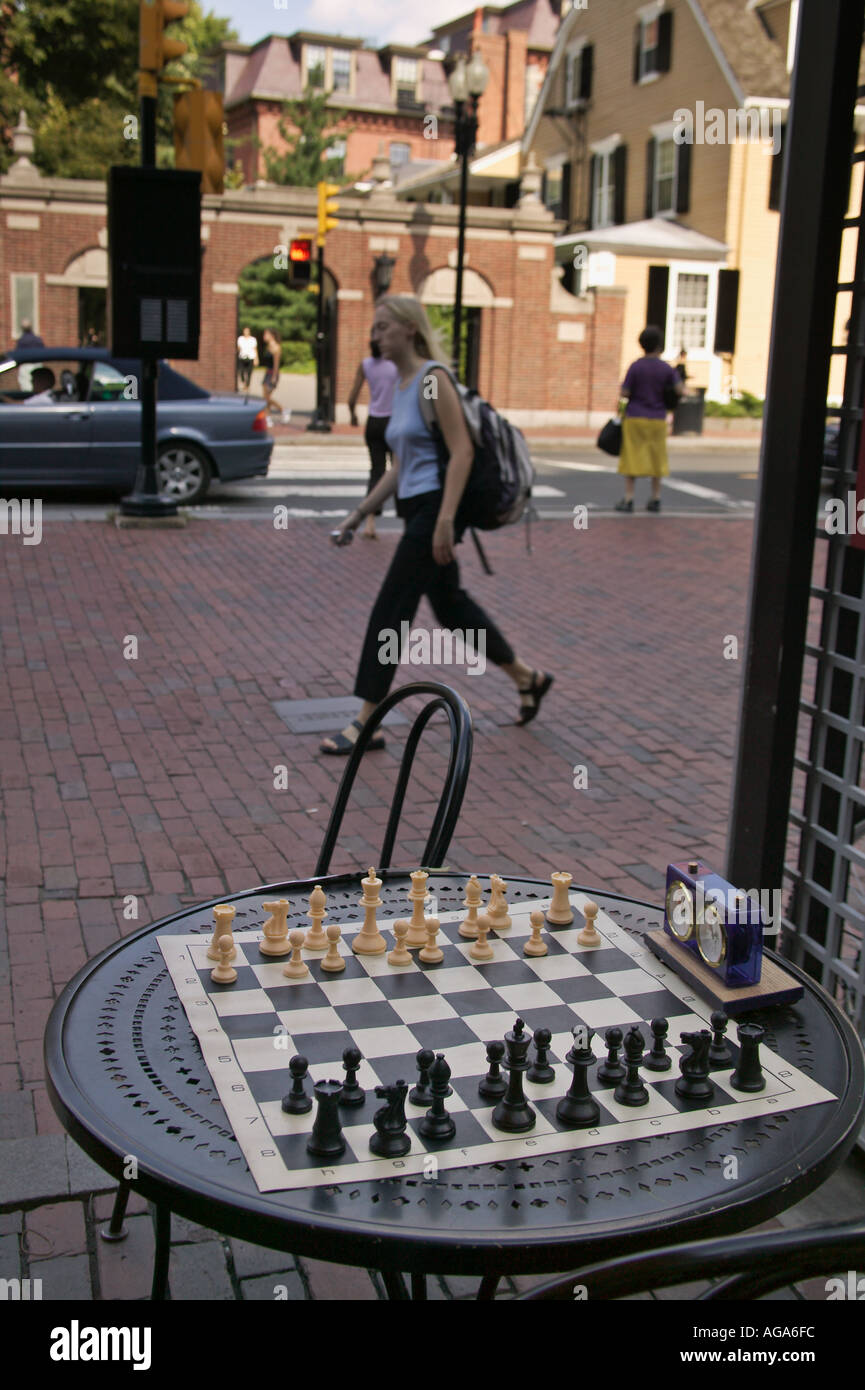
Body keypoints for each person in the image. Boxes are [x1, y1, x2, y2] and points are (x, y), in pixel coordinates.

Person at [319, 294, 553, 755]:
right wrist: (359, 513)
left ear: (410, 328)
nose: (376, 335)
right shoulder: (405, 386)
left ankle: (369, 720)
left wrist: (445, 520)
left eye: (384, 326)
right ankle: (528, 677)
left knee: (391, 609)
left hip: (434, 511)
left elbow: (462, 449)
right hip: (418, 508)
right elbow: (400, 465)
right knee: (451, 608)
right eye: (375, 327)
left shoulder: (431, 379)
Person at [615, 326, 682, 513]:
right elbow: (679, 390)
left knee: (631, 456)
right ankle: (655, 498)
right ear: (659, 346)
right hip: (658, 418)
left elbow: (624, 392)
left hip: (635, 416)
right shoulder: (666, 368)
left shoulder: (636, 366)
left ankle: (629, 498)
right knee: (657, 457)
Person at [347, 337, 399, 539]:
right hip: (392, 421)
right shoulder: (395, 366)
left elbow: (352, 396)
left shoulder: (366, 365)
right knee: (398, 470)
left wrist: (352, 414)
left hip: (373, 422)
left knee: (376, 471)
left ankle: (370, 522)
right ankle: (406, 517)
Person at [260, 328, 282, 415]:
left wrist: (274, 377)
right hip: (267, 373)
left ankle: (283, 409)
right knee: (265, 397)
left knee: (266, 397)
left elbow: (276, 364)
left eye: (266, 334)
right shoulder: (268, 347)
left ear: (272, 336)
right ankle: (267, 416)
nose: (264, 336)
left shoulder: (276, 347)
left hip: (272, 374)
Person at [237, 324, 258, 390]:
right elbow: (238, 348)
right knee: (241, 371)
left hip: (250, 357)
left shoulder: (253, 339)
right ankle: (243, 382)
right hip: (242, 357)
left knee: (249, 372)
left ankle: (247, 385)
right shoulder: (240, 339)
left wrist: (256, 358)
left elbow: (255, 349)